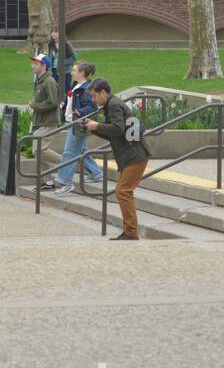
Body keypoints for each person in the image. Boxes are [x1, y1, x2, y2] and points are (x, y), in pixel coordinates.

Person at [84, 78, 151, 240]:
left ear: (103, 93)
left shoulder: (113, 105)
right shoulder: (110, 105)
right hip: (130, 155)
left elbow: (118, 128)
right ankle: (130, 231)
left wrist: (97, 126)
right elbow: (114, 134)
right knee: (123, 191)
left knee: (123, 191)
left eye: (95, 96)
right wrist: (92, 128)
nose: (93, 100)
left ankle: (131, 232)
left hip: (135, 155)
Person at [53, 60, 104, 195]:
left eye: (74, 70)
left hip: (79, 123)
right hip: (74, 122)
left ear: (82, 73)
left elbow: (92, 106)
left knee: (69, 153)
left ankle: (65, 182)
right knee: (80, 150)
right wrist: (64, 103)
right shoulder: (77, 86)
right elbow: (71, 99)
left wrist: (79, 112)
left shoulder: (86, 88)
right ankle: (96, 173)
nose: (72, 72)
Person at [28, 53, 62, 191]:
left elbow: (53, 102)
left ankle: (66, 162)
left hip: (50, 122)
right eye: (33, 63)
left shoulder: (49, 81)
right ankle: (48, 182)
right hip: (43, 122)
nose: (33, 66)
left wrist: (35, 106)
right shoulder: (40, 80)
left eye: (36, 64)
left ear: (44, 66)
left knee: (38, 149)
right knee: (38, 151)